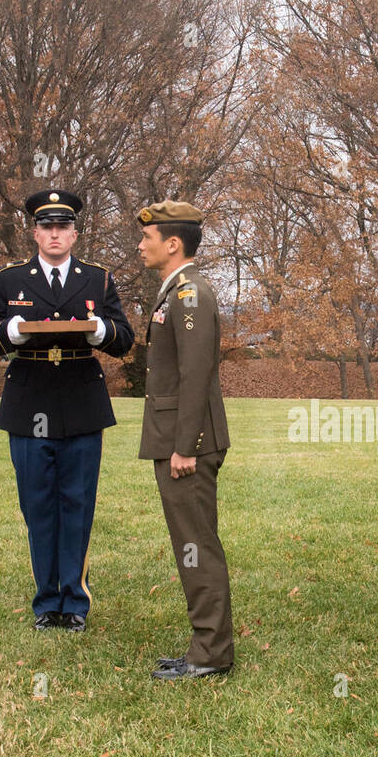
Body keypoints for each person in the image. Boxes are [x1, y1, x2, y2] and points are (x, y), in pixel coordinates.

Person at [0, 189, 134, 633]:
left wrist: (101, 328)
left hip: (81, 401)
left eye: (63, 226)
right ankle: (46, 600)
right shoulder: (10, 280)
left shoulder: (98, 278)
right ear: (35, 232)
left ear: (75, 233)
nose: (55, 233)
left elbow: (125, 339)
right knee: (38, 505)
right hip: (30, 401)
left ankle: (75, 601)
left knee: (77, 504)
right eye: (47, 226)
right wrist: (13, 331)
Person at [136, 200, 234, 680]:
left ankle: (211, 653)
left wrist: (186, 446)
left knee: (198, 544)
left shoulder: (190, 293)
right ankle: (205, 643)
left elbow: (196, 375)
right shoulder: (178, 291)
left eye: (147, 239)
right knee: (191, 543)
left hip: (186, 441)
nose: (140, 246)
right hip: (176, 436)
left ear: (172, 244)